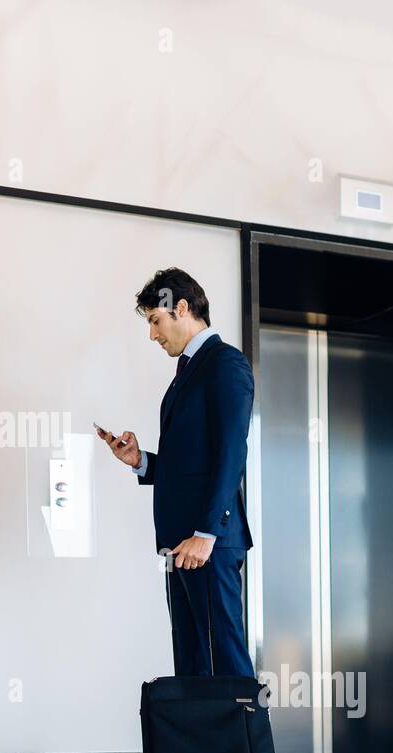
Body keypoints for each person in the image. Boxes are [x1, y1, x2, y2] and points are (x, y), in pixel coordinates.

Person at [97, 267, 256, 679]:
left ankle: (246, 746)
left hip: (206, 543)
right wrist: (141, 461)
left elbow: (230, 452)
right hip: (180, 546)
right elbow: (190, 461)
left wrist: (207, 533)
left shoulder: (225, 364)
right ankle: (200, 746)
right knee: (192, 667)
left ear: (181, 308)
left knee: (227, 666)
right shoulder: (188, 372)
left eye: (155, 321)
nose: (152, 335)